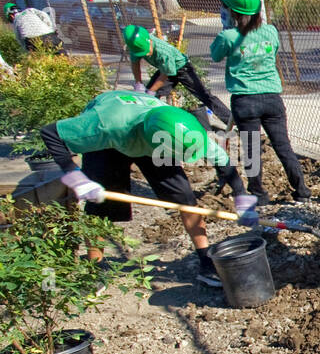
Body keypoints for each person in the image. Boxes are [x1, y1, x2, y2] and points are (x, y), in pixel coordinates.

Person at [39, 89, 259, 287]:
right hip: (111, 138)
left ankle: (205, 260)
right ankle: (93, 269)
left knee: (185, 197)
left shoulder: (180, 129)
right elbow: (50, 133)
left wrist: (241, 196)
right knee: (101, 206)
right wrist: (75, 176)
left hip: (150, 127)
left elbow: (222, 161)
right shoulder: (103, 125)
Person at [209, 0, 309, 205]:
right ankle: (301, 190)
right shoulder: (271, 32)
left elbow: (215, 55)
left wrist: (227, 29)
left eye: (224, 6)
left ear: (231, 11)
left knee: (252, 150)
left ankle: (259, 194)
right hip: (272, 99)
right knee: (283, 146)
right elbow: (270, 55)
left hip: (245, 101)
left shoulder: (228, 37)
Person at [123, 24, 232, 127]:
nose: (146, 54)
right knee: (148, 97)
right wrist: (138, 83)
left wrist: (152, 91)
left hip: (182, 68)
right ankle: (146, 123)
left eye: (146, 51)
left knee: (204, 95)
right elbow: (135, 63)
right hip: (165, 69)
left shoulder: (162, 51)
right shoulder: (135, 46)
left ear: (149, 40)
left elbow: (167, 73)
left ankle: (231, 120)